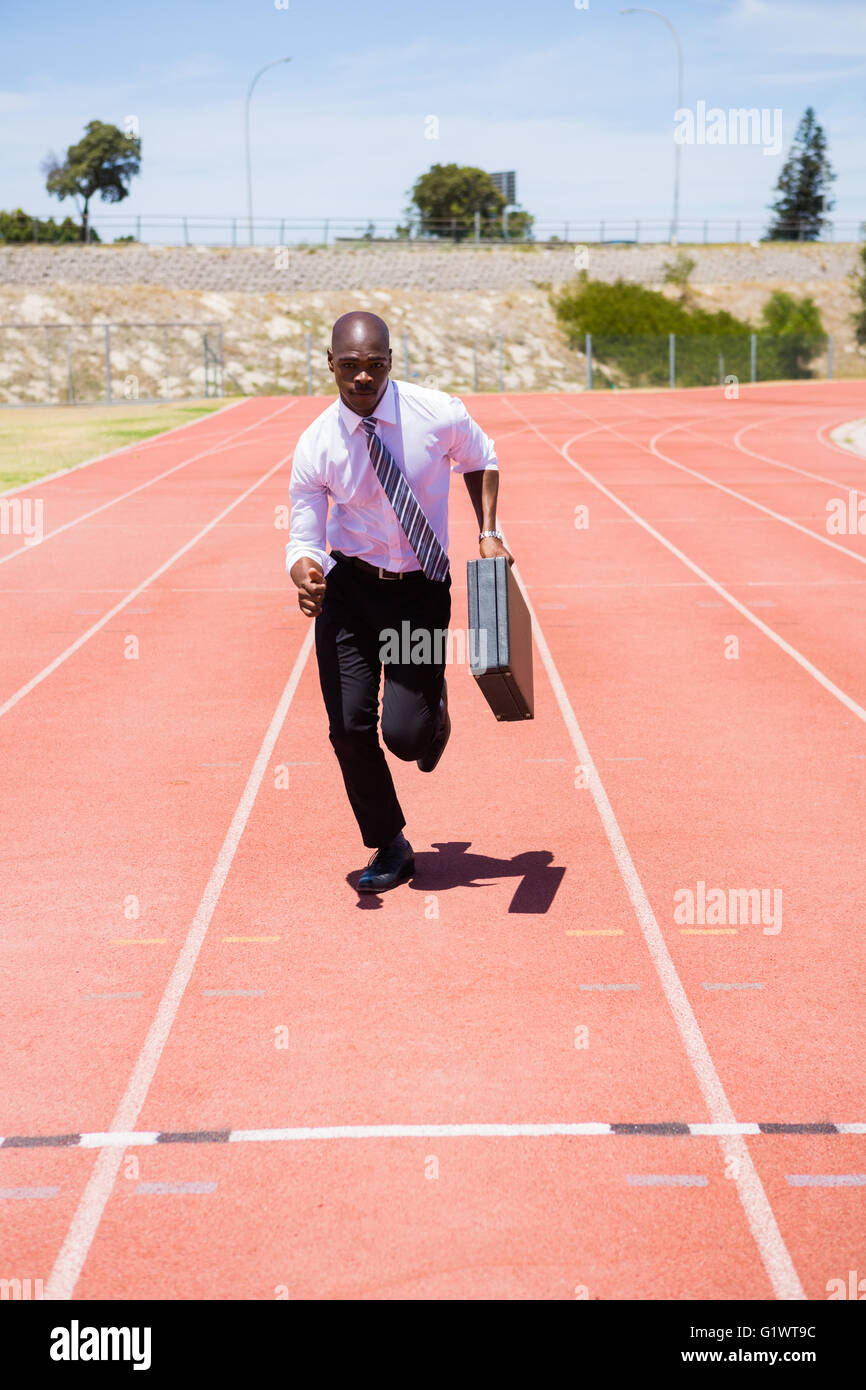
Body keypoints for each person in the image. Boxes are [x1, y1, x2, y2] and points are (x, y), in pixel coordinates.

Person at [286, 311, 513, 892]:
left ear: (391, 360)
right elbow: (305, 534)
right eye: (350, 366)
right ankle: (390, 844)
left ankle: (430, 703)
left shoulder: (436, 413)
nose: (363, 378)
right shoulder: (316, 443)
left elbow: (481, 456)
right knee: (347, 727)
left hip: (418, 592)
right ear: (330, 363)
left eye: (375, 365)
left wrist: (488, 531)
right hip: (351, 593)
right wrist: (305, 569)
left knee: (407, 740)